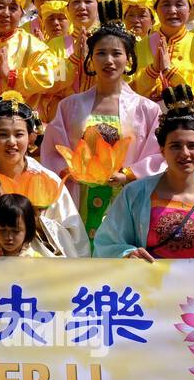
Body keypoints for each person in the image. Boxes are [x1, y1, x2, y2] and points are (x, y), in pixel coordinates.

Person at [40, 21, 165, 239]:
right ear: (91, 59)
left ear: (128, 59)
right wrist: (73, 172)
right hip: (79, 197)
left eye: (116, 53)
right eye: (101, 53)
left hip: (125, 195)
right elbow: (52, 151)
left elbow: (157, 155)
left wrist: (127, 175)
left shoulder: (146, 109)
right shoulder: (70, 106)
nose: (109, 61)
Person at [93, 87, 194, 260]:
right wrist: (127, 255)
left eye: (192, 146)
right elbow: (106, 243)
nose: (185, 153)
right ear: (162, 150)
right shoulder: (134, 195)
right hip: (147, 285)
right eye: (175, 146)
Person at [0, 94, 88, 257]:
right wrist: (1, 246)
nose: (11, 142)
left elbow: (75, 239)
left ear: (31, 138)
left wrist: (38, 223)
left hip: (41, 273)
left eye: (19, 134)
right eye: (3, 134)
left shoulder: (48, 181)